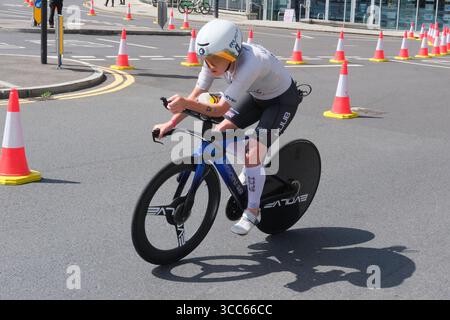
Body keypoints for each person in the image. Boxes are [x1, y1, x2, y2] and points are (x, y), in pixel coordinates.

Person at [153, 20, 303, 236]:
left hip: (281, 101)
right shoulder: (213, 61)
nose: (210, 64)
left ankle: (253, 211)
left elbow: (219, 108)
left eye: (215, 59)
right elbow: (195, 96)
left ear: (231, 53)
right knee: (218, 133)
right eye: (205, 58)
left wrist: (185, 103)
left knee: (252, 154)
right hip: (256, 96)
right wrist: (170, 123)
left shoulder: (251, 63)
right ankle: (251, 171)